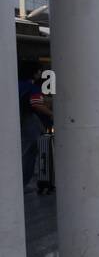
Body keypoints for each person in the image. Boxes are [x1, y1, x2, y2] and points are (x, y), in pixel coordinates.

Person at [17, 60, 52, 189]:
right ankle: (23, 183)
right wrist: (51, 114)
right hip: (27, 119)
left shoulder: (17, 84)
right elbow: (36, 104)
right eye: (39, 70)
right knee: (30, 150)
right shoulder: (32, 87)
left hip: (18, 120)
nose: (40, 73)